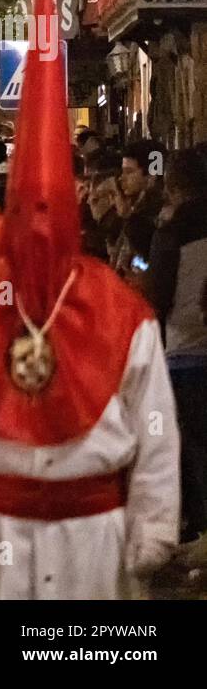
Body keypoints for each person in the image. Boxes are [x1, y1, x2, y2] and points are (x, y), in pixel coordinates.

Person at [0, 0, 179, 599]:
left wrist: (154, 526)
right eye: (25, 210)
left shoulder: (121, 312)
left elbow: (154, 428)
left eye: (50, 210)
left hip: (92, 532)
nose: (37, 227)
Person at [147, 149, 207, 542]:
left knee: (194, 445)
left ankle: (198, 527)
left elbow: (158, 295)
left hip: (184, 349)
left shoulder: (171, 232)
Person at [114, 138, 165, 284]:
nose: (121, 178)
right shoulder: (134, 208)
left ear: (151, 176)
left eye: (129, 172)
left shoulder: (155, 217)